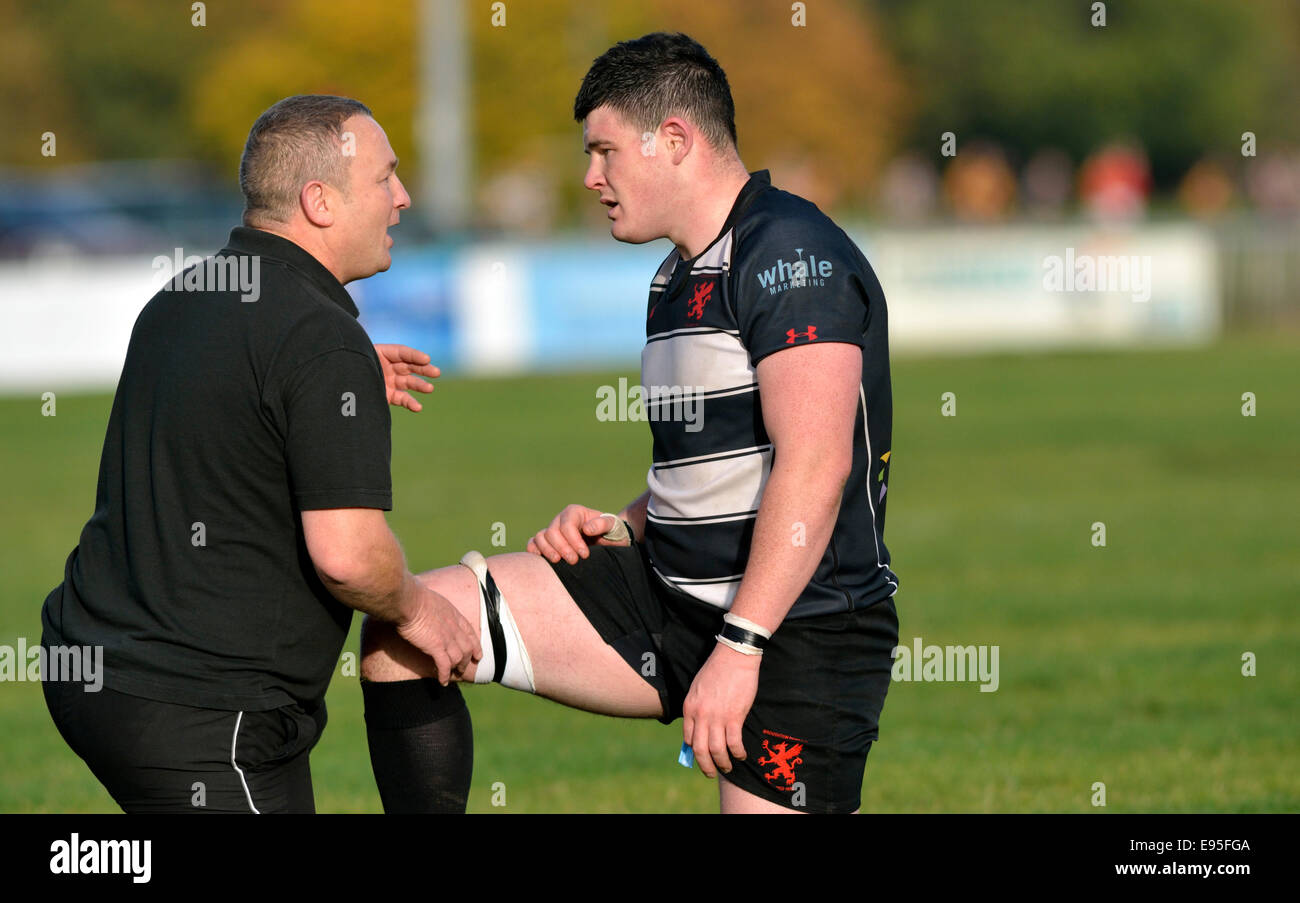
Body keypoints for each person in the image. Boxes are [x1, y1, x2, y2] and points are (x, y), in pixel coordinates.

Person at [361, 32, 899, 814]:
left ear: (673, 139)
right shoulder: (673, 277)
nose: (590, 177)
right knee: (408, 633)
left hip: (797, 632)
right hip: (669, 596)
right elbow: (718, 465)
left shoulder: (792, 255)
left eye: (604, 151)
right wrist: (627, 524)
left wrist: (741, 648)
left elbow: (815, 467)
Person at [40, 94, 480, 814]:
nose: (402, 198)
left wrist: (330, 373)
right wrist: (421, 607)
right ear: (320, 201)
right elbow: (348, 554)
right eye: (384, 178)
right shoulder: (317, 339)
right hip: (197, 709)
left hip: (88, 660)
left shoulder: (184, 296)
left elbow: (232, 388)